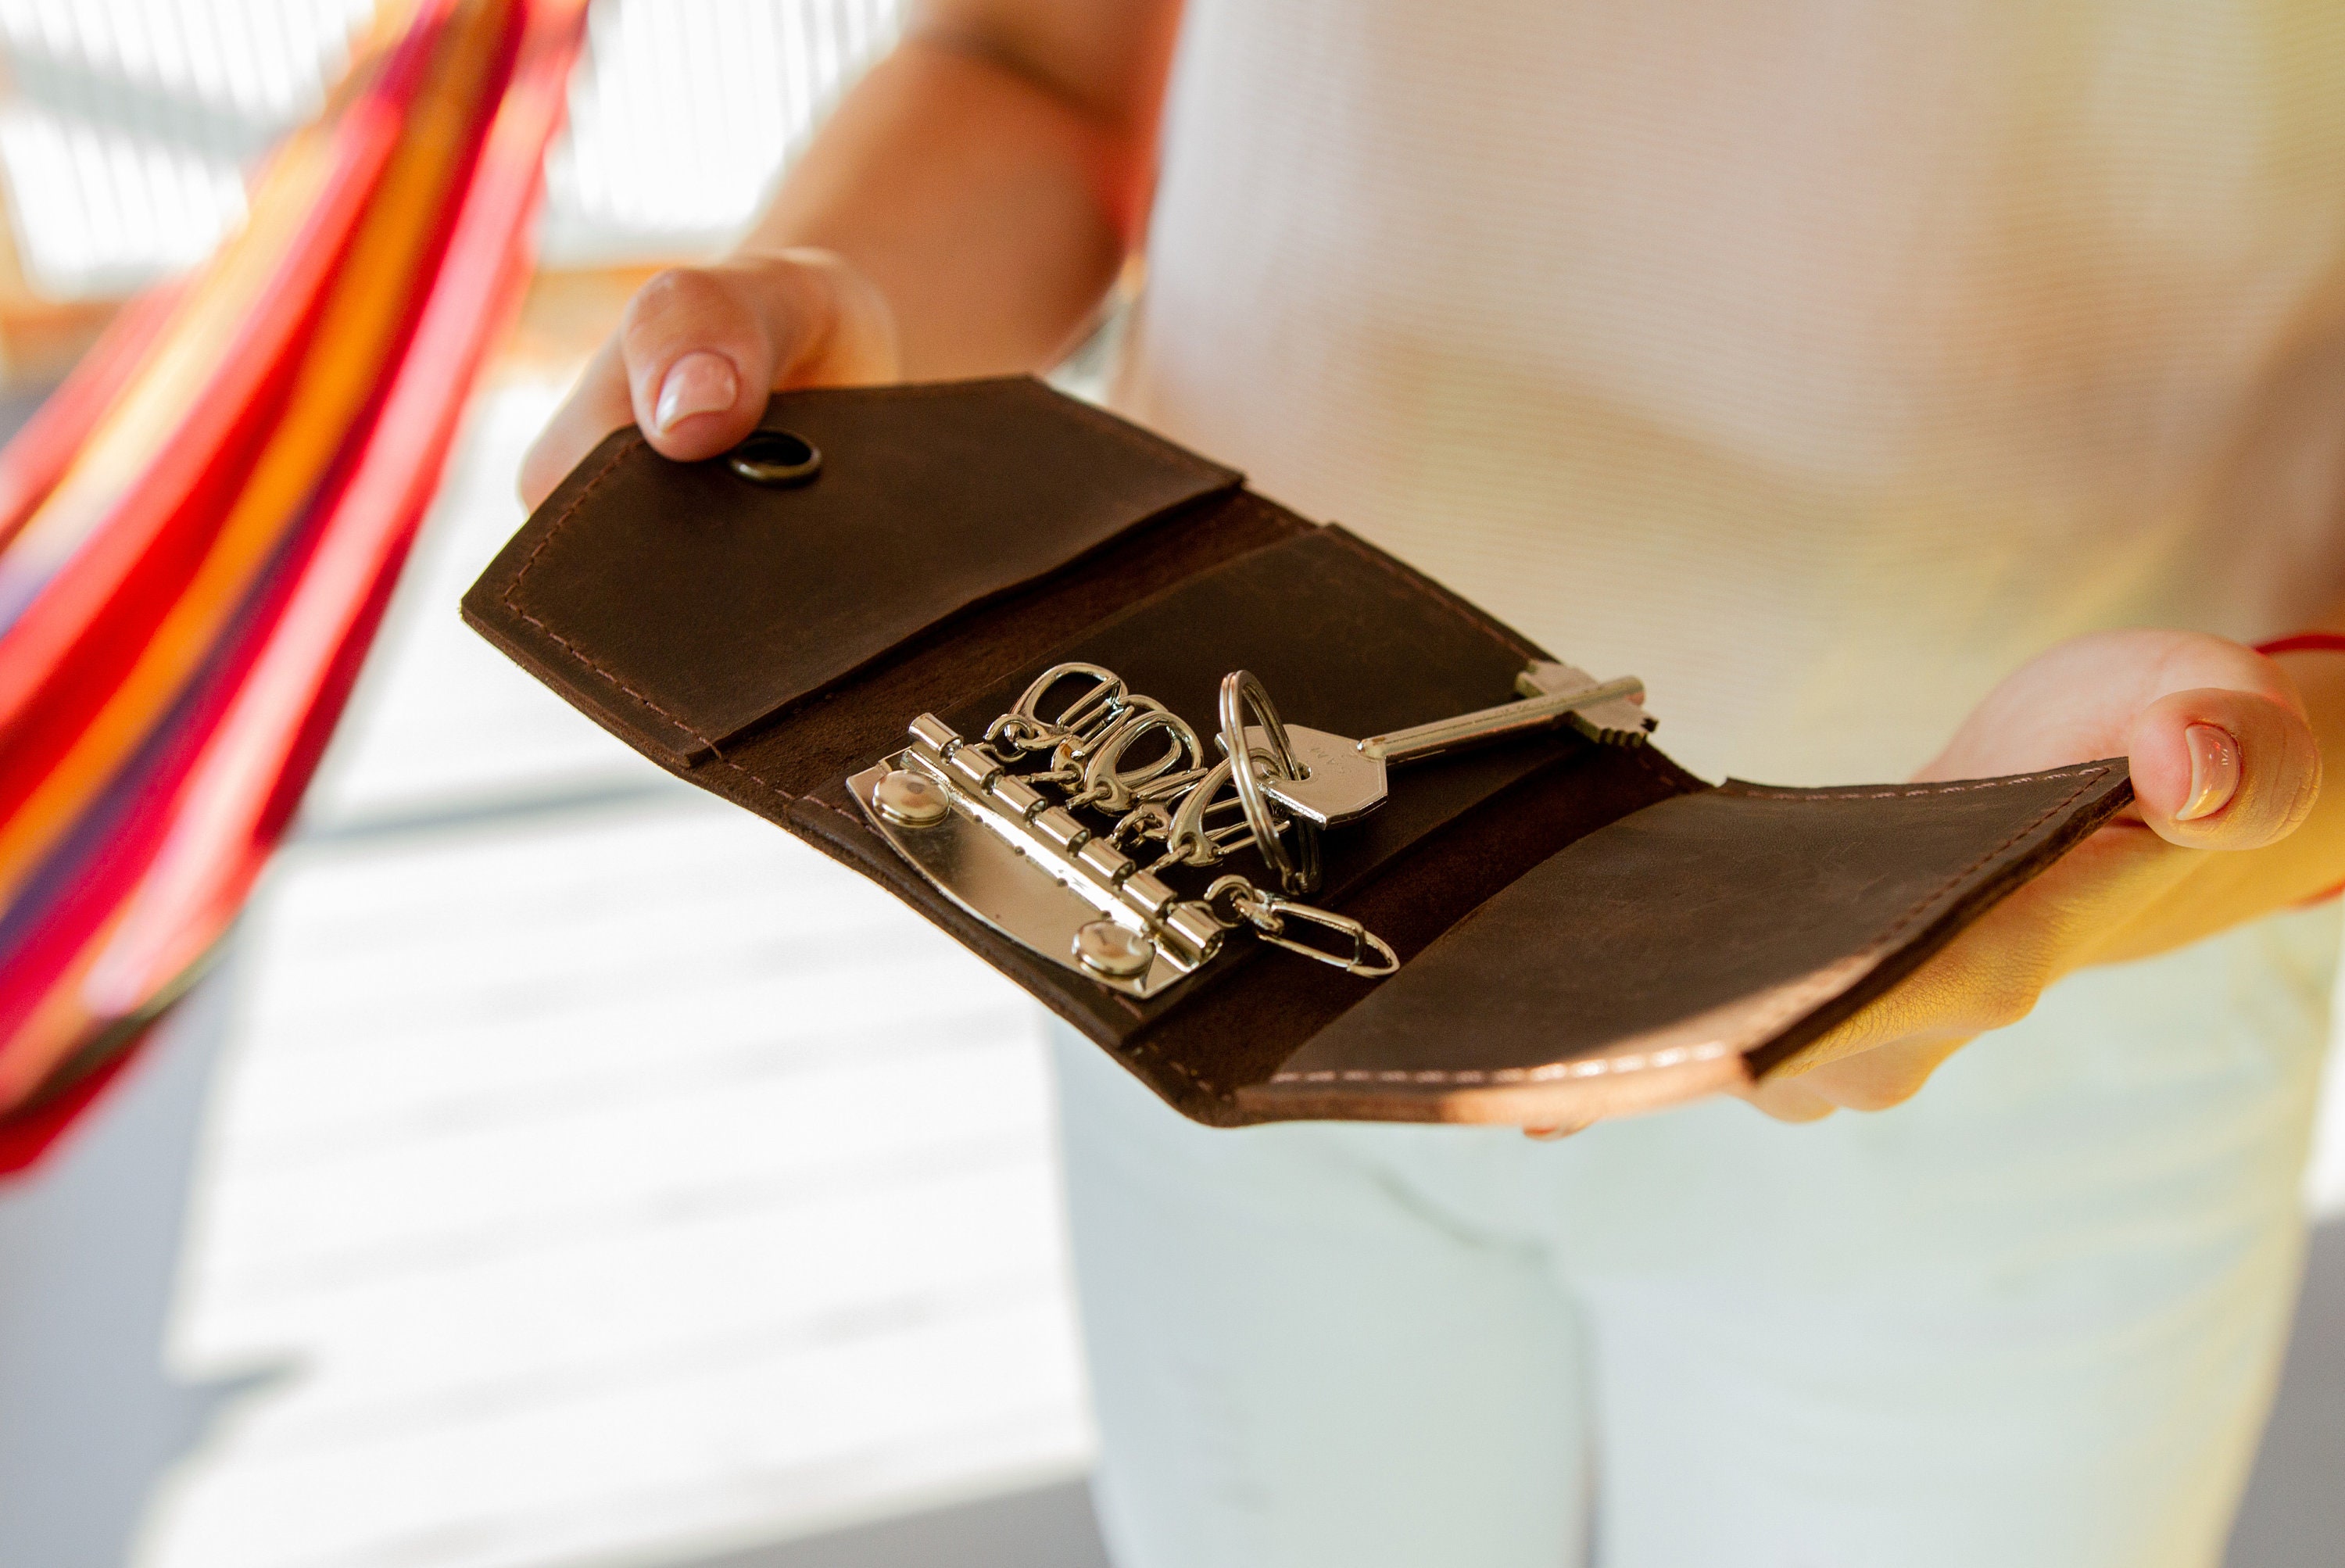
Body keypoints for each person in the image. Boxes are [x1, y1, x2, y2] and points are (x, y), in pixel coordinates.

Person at [521, 5, 2345, 1563]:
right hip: (1205, 924)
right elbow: (1036, 63)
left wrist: (2253, 790)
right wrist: (838, 333)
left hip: (2035, 1028)